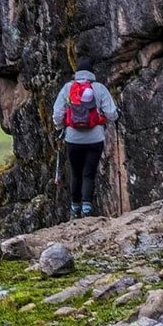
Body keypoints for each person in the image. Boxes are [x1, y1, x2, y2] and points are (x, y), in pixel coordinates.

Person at [52, 56, 119, 218]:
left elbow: (57, 113)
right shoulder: (99, 88)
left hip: (73, 139)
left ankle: (75, 208)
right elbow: (111, 113)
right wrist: (114, 117)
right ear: (91, 73)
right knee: (89, 173)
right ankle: (87, 208)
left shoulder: (68, 88)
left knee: (76, 173)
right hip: (95, 139)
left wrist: (61, 127)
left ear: (77, 72)